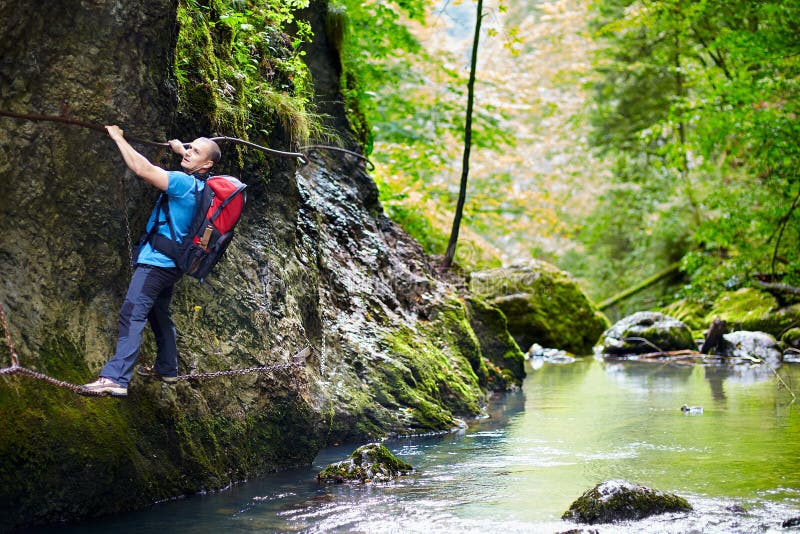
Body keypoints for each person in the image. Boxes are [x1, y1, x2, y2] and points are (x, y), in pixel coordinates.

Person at [82, 125, 221, 396]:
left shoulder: (182, 183)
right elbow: (191, 155)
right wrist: (181, 149)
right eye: (189, 146)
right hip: (173, 265)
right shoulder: (203, 187)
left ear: (207, 164)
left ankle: (116, 378)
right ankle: (168, 370)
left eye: (196, 151)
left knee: (132, 314)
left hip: (156, 264)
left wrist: (118, 138)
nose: (190, 151)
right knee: (159, 313)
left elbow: (142, 169)